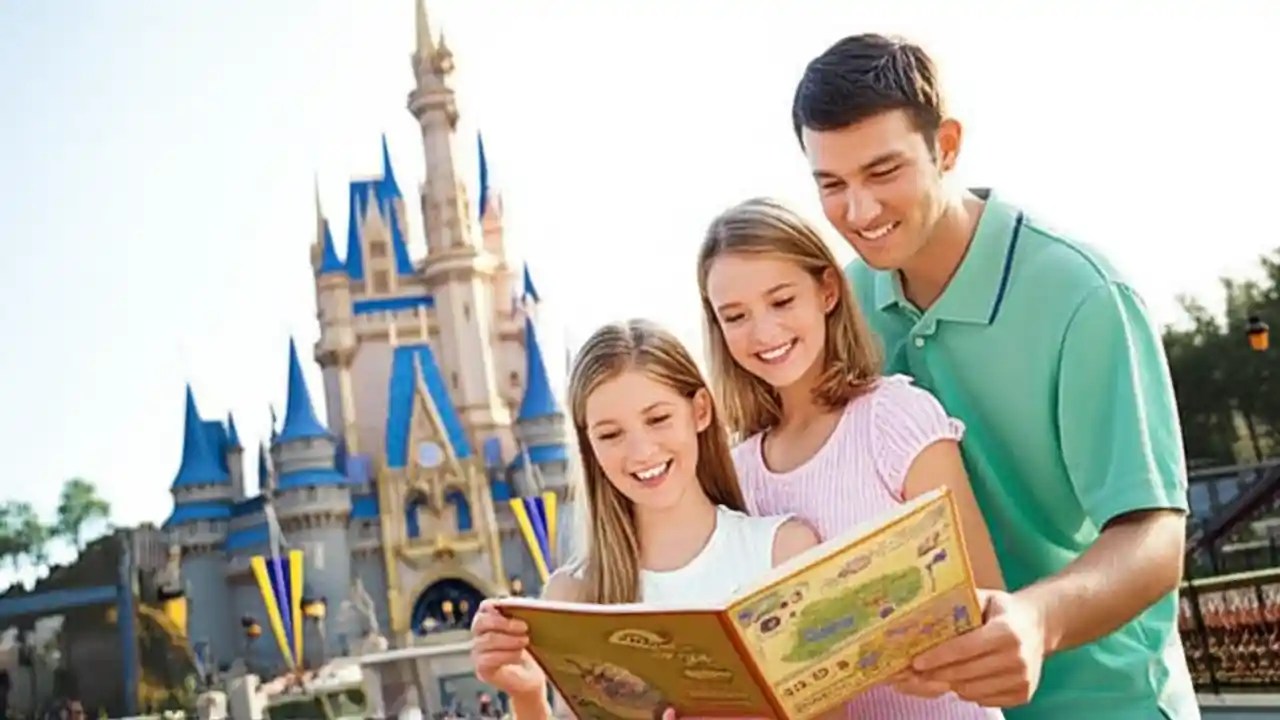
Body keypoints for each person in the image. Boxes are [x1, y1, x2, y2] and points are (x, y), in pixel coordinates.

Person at [789, 32, 1196, 719]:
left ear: (945, 146)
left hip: (1108, 704)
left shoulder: (1084, 296)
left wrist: (1037, 621)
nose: (858, 212)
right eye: (832, 184)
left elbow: (1156, 536)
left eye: (883, 171)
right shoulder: (838, 309)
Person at [697, 196, 1005, 719]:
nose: (764, 332)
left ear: (827, 290)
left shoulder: (895, 417)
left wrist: (922, 654)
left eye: (780, 300)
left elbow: (991, 602)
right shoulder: (738, 475)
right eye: (736, 316)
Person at [468, 318, 821, 720]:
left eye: (657, 419)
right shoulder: (573, 597)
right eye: (610, 434)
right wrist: (528, 695)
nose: (640, 452)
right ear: (590, 447)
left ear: (700, 411)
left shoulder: (784, 552)